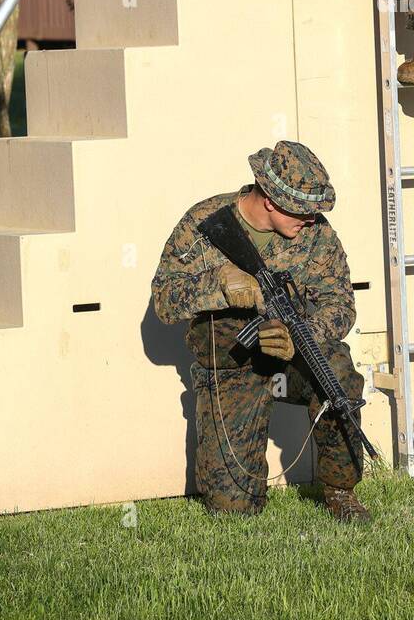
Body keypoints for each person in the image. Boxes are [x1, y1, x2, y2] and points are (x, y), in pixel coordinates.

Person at [151, 140, 370, 523]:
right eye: (302, 211)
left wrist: (302, 336)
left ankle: (340, 491)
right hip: (231, 367)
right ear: (269, 199)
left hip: (293, 362)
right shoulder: (204, 224)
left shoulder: (315, 234)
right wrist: (217, 285)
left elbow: (341, 305)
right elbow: (164, 302)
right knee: (233, 510)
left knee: (338, 374)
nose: (309, 220)